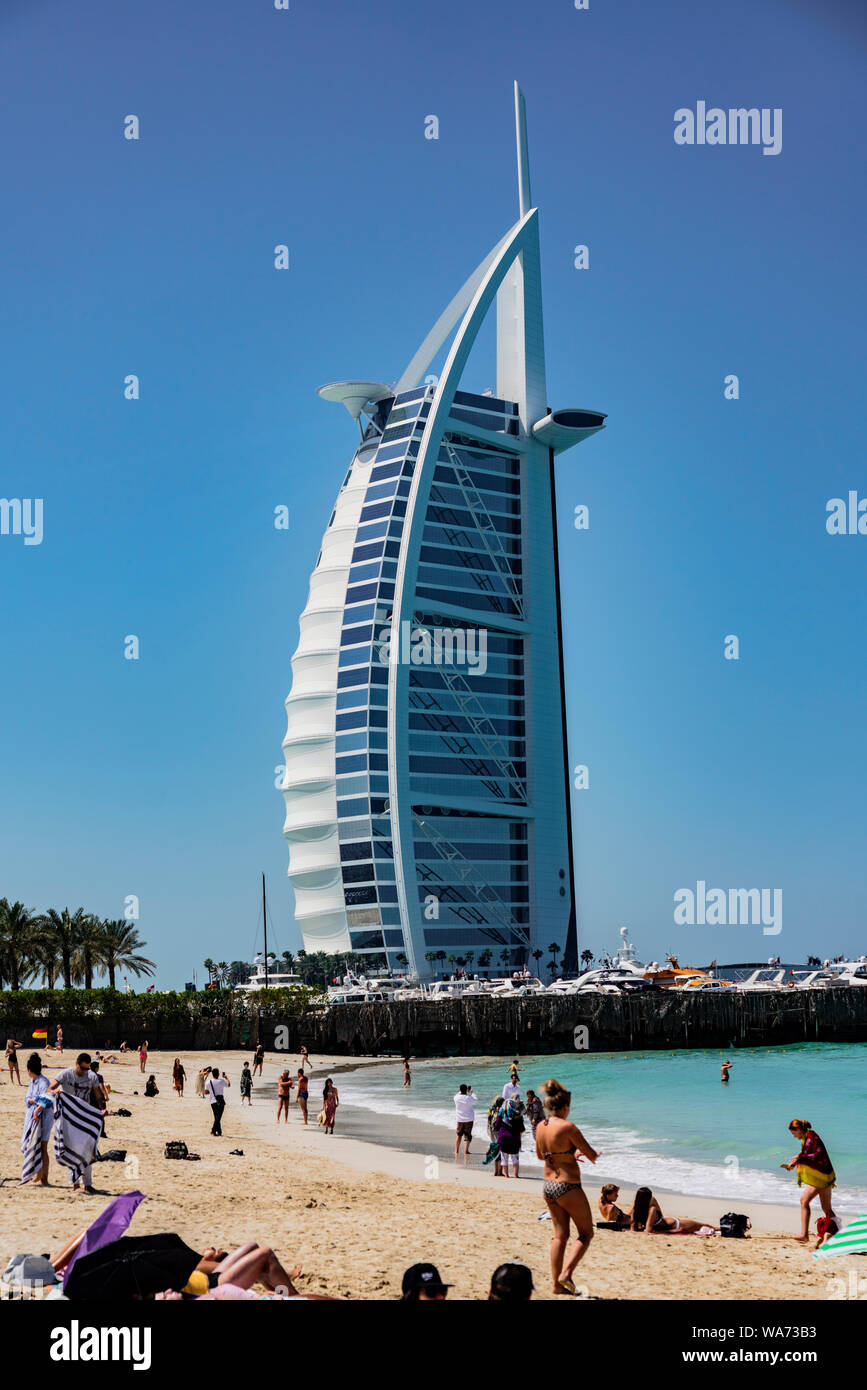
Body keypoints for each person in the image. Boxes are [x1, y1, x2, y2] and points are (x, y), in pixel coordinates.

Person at [535, 1078, 600, 1294]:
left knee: (560, 1236)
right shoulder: (568, 1126)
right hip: (568, 1186)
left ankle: (556, 1286)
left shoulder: (540, 1126)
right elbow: (591, 1155)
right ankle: (566, 1274)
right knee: (586, 1234)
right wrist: (587, 1154)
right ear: (565, 1107)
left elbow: (540, 1154)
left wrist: (568, 1153)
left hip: (548, 1187)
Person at [47, 1053, 104, 1192]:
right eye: (83, 1068)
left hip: (85, 1118)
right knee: (72, 1149)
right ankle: (75, 1184)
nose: (85, 1072)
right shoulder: (65, 1074)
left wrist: (102, 1111)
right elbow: (49, 1089)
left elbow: (98, 1096)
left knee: (89, 1150)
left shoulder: (91, 1076)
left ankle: (88, 1184)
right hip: (69, 1120)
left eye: (87, 1069)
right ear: (77, 1063)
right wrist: (56, 1093)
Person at [780, 1118, 837, 1242]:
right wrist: (796, 1161)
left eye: (794, 1133)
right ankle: (838, 1234)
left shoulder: (810, 1138)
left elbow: (817, 1155)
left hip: (819, 1177)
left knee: (804, 1201)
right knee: (827, 1208)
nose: (794, 1137)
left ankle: (804, 1235)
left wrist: (799, 1159)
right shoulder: (810, 1137)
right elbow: (807, 1155)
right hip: (826, 1175)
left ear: (799, 1129)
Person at [20, 1052, 54, 1185]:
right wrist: (33, 1100)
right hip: (33, 1118)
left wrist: (35, 1102)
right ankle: (37, 1175)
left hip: (44, 1118)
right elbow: (27, 1098)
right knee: (33, 1146)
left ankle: (44, 1178)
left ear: (29, 1070)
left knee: (42, 1146)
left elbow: (46, 1100)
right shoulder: (32, 1082)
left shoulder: (43, 1082)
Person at [629, 1186, 718, 1235]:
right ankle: (722, 1228)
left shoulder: (635, 1210)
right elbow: (648, 1230)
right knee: (704, 1225)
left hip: (674, 1223)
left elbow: (633, 1228)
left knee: (704, 1226)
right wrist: (671, 1232)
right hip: (676, 1225)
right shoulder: (652, 1209)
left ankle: (720, 1228)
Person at [495, 1097, 525, 1178]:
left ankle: (506, 1175)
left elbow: (496, 1126)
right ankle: (516, 1175)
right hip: (515, 1139)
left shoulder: (501, 1112)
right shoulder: (518, 1114)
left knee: (504, 1158)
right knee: (515, 1158)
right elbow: (522, 1128)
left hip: (503, 1138)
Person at [452, 1083, 480, 1165]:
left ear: (460, 1090)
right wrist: (472, 1092)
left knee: (459, 1134)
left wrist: (462, 1091)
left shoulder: (456, 1097)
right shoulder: (469, 1098)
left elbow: (457, 1094)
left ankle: (456, 1150)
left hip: (460, 1119)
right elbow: (476, 1099)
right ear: (466, 1090)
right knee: (468, 1135)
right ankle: (466, 1150)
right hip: (469, 1119)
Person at [206, 1067, 230, 1136]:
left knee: (216, 1117)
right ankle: (213, 1130)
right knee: (218, 1117)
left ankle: (219, 1131)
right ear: (218, 1074)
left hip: (212, 1101)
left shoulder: (209, 1082)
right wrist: (226, 1078)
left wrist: (211, 1092)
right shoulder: (221, 1081)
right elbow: (229, 1085)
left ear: (212, 1074)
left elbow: (206, 1092)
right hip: (220, 1100)